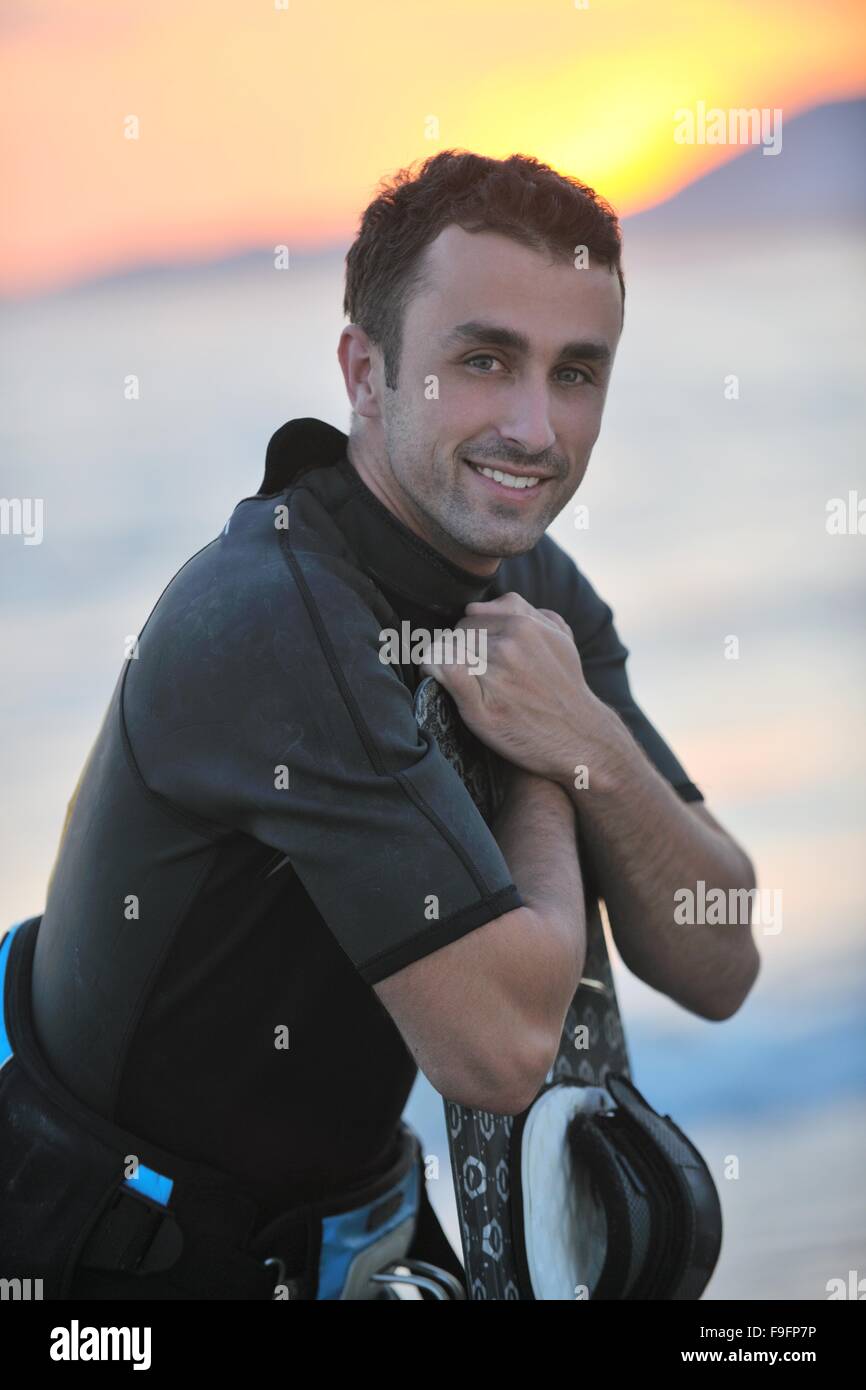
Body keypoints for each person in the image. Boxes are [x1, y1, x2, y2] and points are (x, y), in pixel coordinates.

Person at [0, 150, 759, 1300]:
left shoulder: (529, 587)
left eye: (574, 373)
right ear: (364, 370)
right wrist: (553, 761)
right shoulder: (277, 620)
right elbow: (498, 1051)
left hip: (351, 1224)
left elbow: (717, 953)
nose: (534, 427)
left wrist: (583, 740)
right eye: (483, 360)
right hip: (104, 1243)